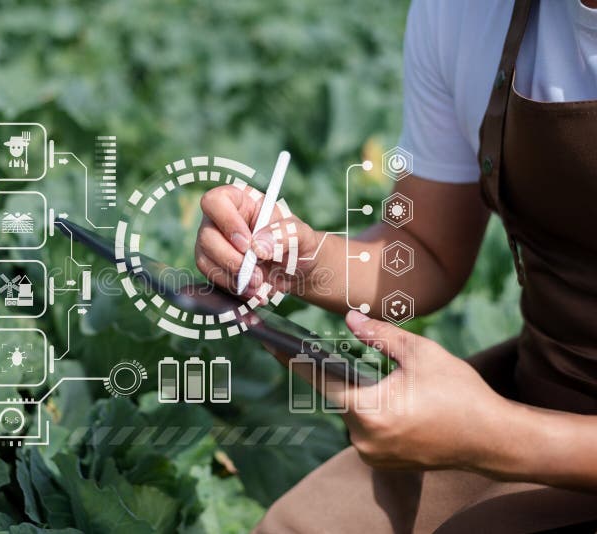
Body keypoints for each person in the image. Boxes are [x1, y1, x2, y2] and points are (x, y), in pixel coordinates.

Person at [194, 0, 597, 531]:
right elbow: (424, 247)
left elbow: (500, 437)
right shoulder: (468, 13)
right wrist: (297, 259)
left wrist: (499, 438)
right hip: (538, 391)